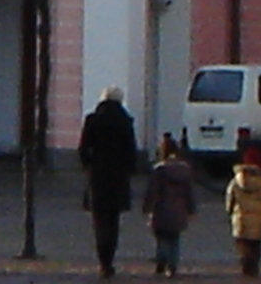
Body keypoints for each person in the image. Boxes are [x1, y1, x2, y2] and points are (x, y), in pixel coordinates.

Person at [79, 85, 139, 278]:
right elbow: (131, 151)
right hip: (118, 177)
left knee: (99, 220)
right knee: (113, 221)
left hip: (97, 176)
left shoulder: (93, 120)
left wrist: (88, 165)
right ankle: (110, 260)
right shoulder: (125, 122)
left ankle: (103, 261)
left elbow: (83, 149)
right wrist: (129, 170)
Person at [144, 133, 198, 277]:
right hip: (179, 209)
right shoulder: (185, 170)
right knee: (175, 238)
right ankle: (172, 265)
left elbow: (152, 191)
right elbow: (189, 192)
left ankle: (161, 260)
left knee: (161, 237)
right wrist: (191, 209)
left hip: (161, 208)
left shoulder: (159, 170)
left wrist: (147, 207)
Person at [226, 145, 261, 276]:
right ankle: (253, 269)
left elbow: (229, 200)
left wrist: (230, 212)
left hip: (240, 220)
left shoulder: (235, 182)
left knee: (242, 244)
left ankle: (244, 264)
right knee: (255, 246)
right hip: (258, 221)